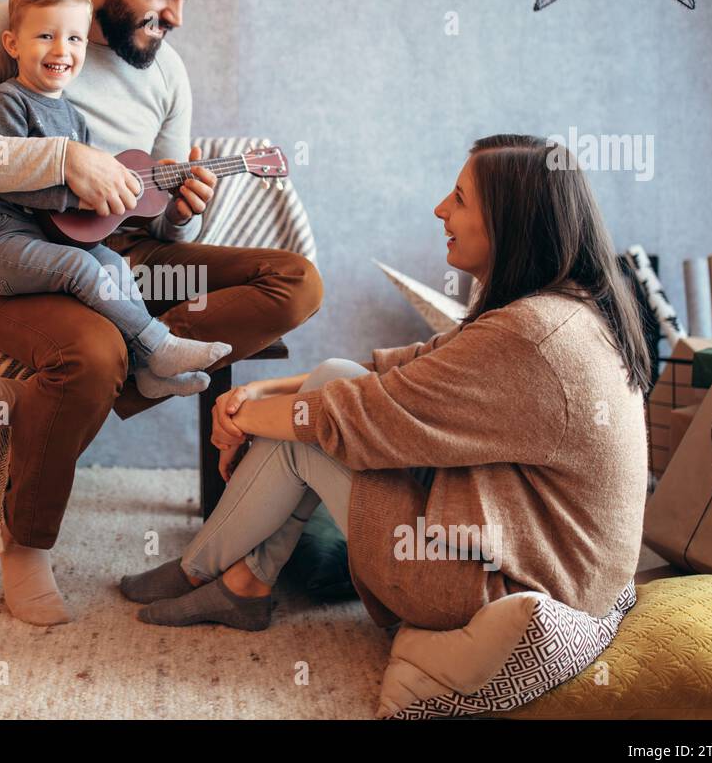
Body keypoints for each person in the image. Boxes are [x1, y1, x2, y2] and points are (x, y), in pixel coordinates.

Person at [0, 0, 324, 626]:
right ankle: (25, 540)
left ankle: (107, 379)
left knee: (295, 281)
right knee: (90, 353)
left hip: (123, 255)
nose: (176, 15)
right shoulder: (22, 24)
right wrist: (61, 160)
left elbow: (154, 217)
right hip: (17, 259)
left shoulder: (168, 70)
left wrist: (184, 212)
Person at [120, 134, 651, 633]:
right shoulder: (557, 311)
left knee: (318, 430)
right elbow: (413, 366)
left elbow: (358, 416)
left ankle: (202, 572)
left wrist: (240, 418)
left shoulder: (534, 334)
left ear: (512, 222)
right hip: (524, 557)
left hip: (507, 590)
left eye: (460, 199)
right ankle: (241, 583)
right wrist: (261, 392)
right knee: (329, 385)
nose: (441, 209)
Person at [0, 0, 232, 418]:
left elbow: (88, 203)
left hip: (46, 241)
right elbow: (10, 181)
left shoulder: (73, 118)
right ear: (13, 45)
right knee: (81, 266)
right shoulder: (6, 103)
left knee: (111, 266)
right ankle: (158, 346)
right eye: (45, 36)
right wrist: (82, 193)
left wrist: (137, 192)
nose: (62, 50)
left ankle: (144, 368)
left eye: (75, 39)